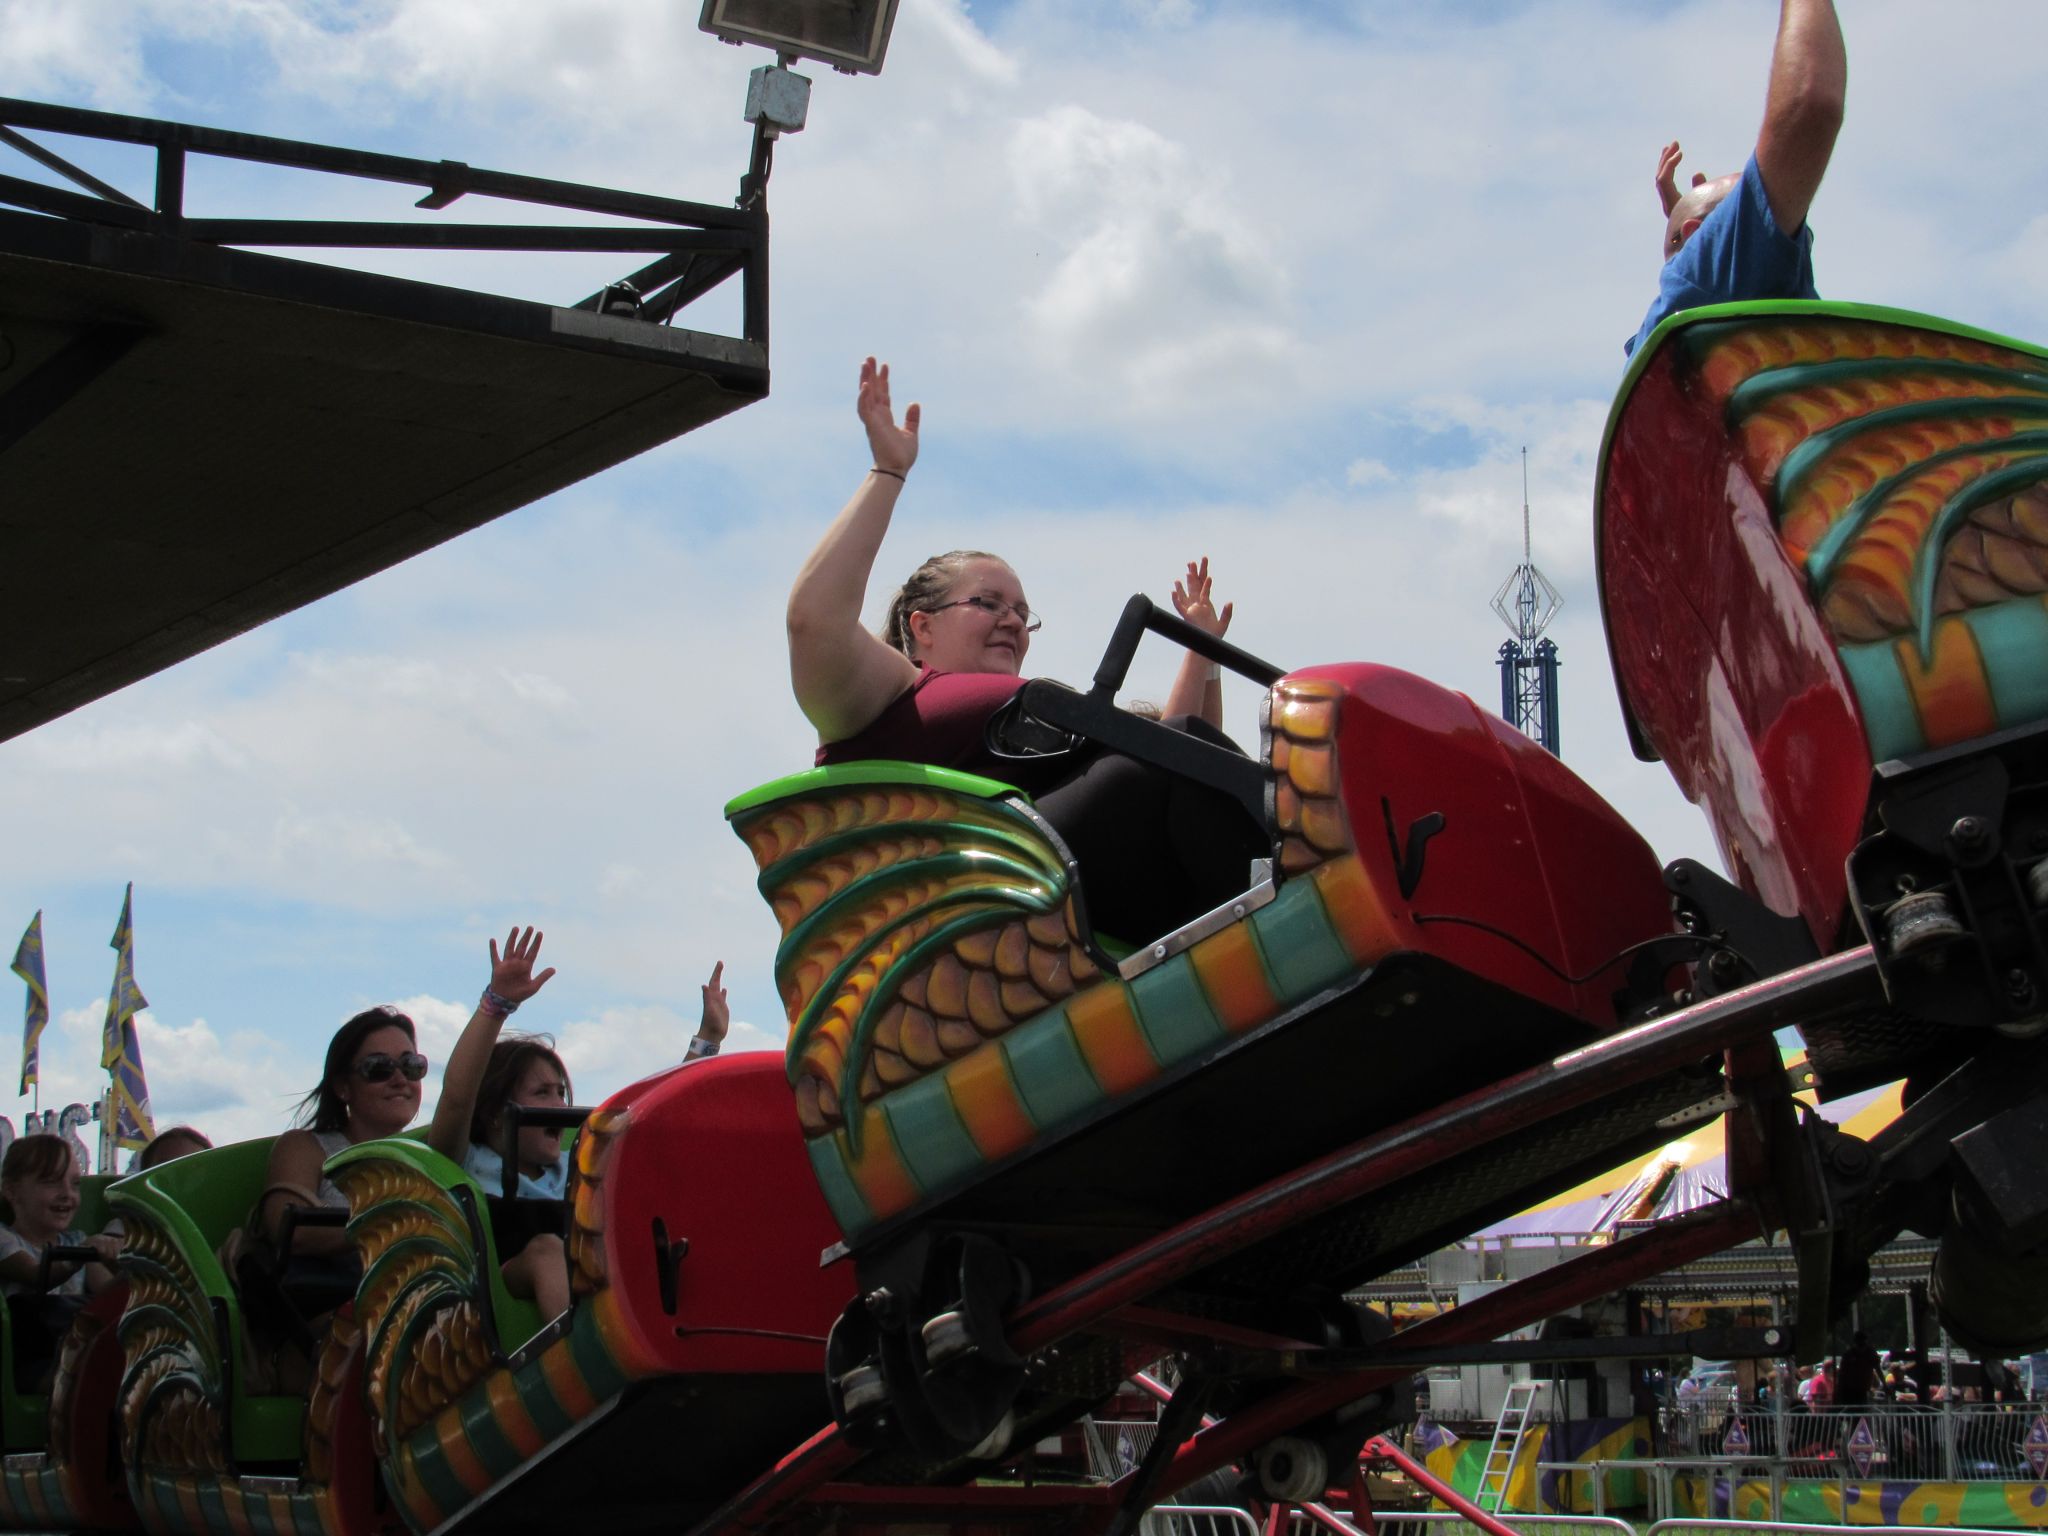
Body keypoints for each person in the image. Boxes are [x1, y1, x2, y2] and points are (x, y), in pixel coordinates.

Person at [789, 358, 1268, 942]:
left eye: (1021, 612)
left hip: (1112, 871)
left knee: (1203, 752)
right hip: (990, 892)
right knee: (1178, 755)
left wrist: (1202, 649)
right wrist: (888, 472)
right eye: (987, 604)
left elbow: (1179, 749)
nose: (1011, 621)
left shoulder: (1039, 718)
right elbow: (813, 622)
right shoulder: (888, 695)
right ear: (923, 626)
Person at [428, 931, 729, 1321]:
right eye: (542, 1093)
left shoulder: (576, 1167)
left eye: (561, 1093)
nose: (557, 1106)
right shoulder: (464, 1162)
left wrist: (707, 1040)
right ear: (496, 1114)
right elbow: (455, 1097)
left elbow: (648, 1127)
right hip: (497, 1295)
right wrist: (496, 1005)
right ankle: (579, 1365)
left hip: (588, 1284)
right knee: (546, 1250)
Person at [1627, 0, 1845, 358]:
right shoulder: (1702, 281)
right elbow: (1812, 102)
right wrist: (1706, 248)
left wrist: (1691, 237)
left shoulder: (1673, 320)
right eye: (1752, 201)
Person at [261, 1002, 433, 1306]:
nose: (400, 1079)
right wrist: (397, 1225)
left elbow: (461, 1101)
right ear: (342, 1087)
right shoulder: (307, 1148)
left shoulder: (430, 1155)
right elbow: (290, 1230)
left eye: (411, 1065)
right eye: (378, 1068)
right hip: (339, 1312)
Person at [0, 1134, 120, 1389]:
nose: (67, 1194)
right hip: (29, 1359)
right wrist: (77, 1257)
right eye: (51, 1182)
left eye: (75, 1184)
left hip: (73, 1349)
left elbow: (110, 1296)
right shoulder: (5, 1239)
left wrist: (116, 1262)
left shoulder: (76, 1239)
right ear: (11, 1190)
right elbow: (36, 1274)